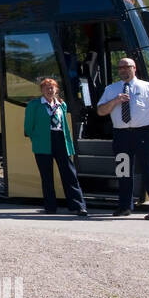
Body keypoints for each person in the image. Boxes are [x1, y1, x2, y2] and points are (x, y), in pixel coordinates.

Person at [97, 57, 149, 220]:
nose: (123, 70)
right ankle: (124, 206)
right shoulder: (111, 89)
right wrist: (115, 101)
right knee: (123, 172)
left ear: (134, 68)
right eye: (120, 68)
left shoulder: (148, 87)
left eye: (127, 67)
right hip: (121, 134)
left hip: (143, 133)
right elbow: (101, 111)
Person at [23, 77, 89, 217]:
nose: (49, 90)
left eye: (52, 87)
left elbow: (63, 124)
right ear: (42, 91)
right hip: (43, 142)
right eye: (46, 88)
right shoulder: (34, 105)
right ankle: (50, 207)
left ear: (56, 90)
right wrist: (37, 138)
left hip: (60, 140)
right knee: (47, 176)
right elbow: (28, 127)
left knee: (70, 174)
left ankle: (78, 206)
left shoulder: (61, 105)